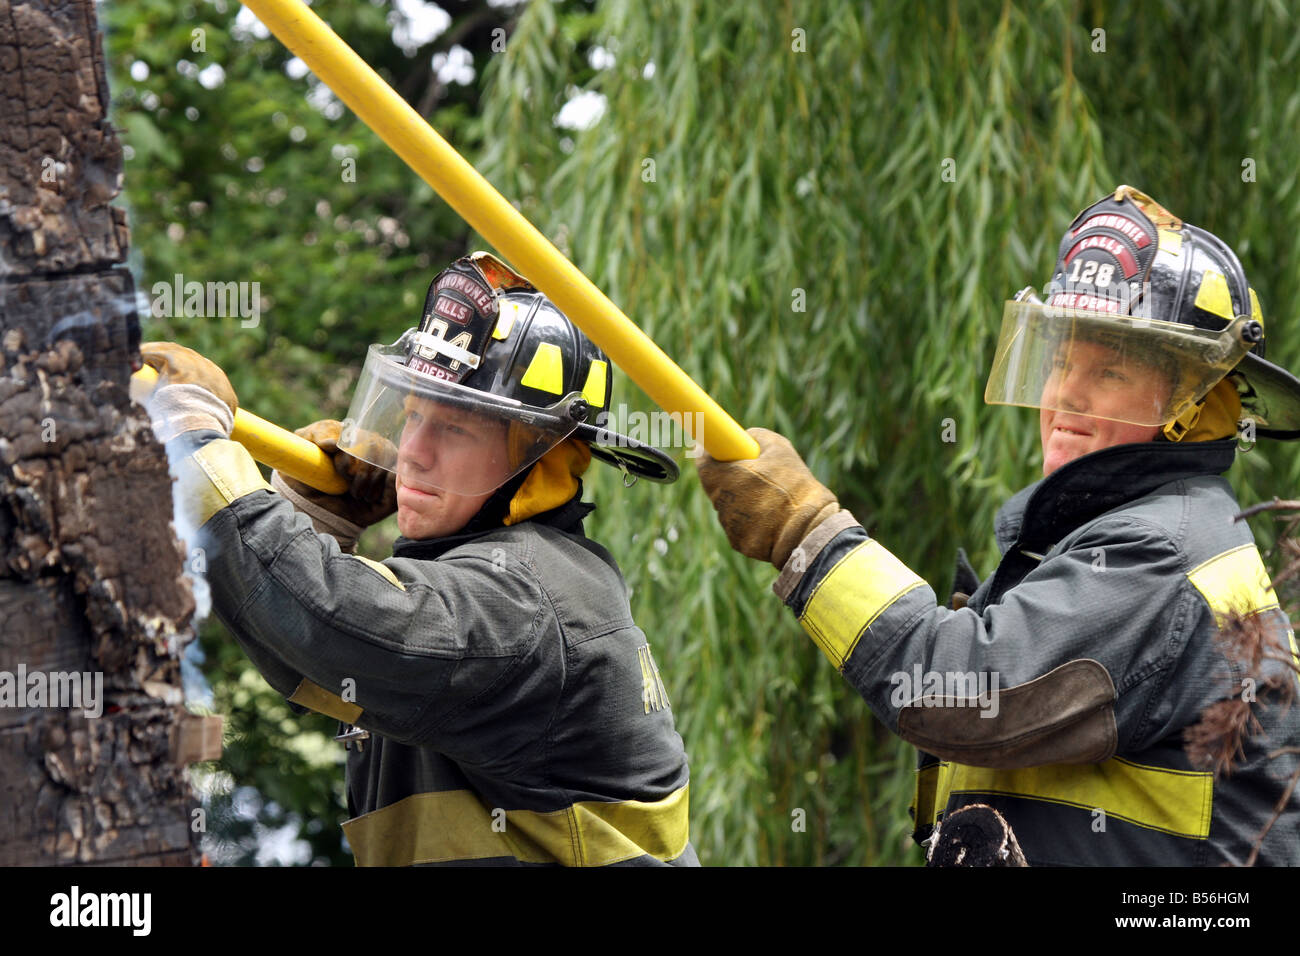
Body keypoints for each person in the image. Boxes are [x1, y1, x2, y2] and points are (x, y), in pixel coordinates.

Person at [698, 186, 1300, 865]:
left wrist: (802, 529)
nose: (1066, 394)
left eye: (1109, 369)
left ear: (1191, 404)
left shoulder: (1162, 551)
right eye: (1061, 362)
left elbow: (960, 691)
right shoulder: (1128, 536)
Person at [142, 252, 698, 866]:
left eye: (455, 429)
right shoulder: (518, 575)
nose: (413, 453)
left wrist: (195, 439)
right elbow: (323, 667)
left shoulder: (526, 601)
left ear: (544, 456)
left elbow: (334, 626)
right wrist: (315, 524)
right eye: (411, 417)